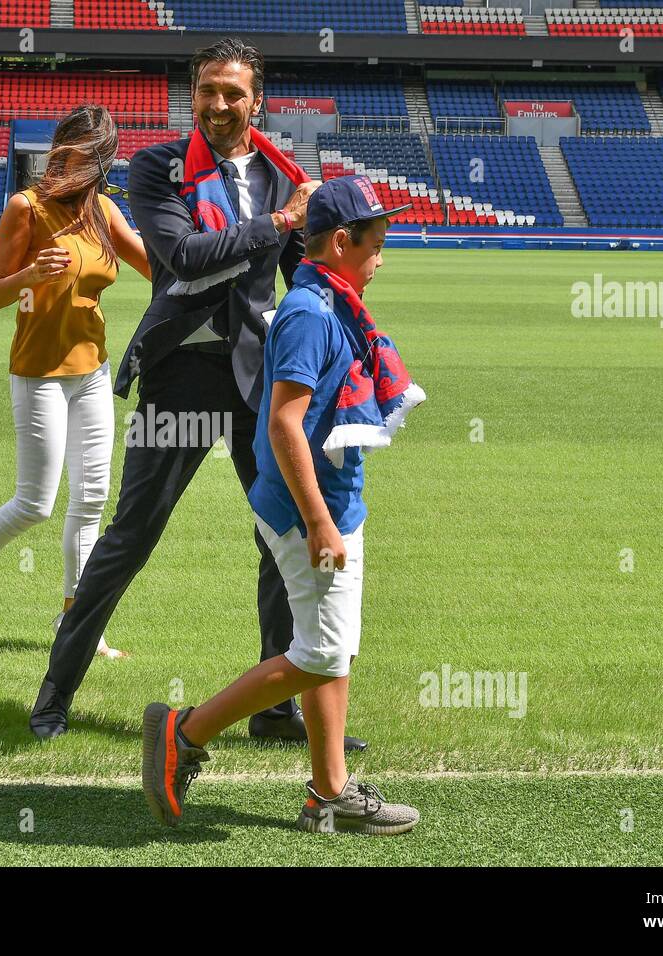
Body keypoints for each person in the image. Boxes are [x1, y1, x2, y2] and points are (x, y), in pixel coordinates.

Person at [29, 39, 367, 752]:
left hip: (257, 379)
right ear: (194, 93)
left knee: (281, 536)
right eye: (207, 90)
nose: (218, 104)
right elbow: (181, 260)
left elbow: (303, 278)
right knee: (129, 538)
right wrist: (280, 224)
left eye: (233, 93)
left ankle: (279, 709)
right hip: (180, 377)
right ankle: (53, 697)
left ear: (257, 100)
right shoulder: (159, 167)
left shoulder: (285, 176)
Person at [141, 175, 426, 834]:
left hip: (334, 501)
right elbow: (283, 424)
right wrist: (321, 521)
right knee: (319, 654)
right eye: (377, 244)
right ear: (339, 242)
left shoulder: (335, 299)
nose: (382, 256)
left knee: (333, 647)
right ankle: (185, 732)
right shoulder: (310, 312)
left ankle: (330, 793)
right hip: (308, 511)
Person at [0, 104, 150, 657]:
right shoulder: (25, 207)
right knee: (35, 504)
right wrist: (30, 275)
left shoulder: (104, 212)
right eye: (73, 150)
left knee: (91, 499)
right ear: (59, 147)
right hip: (38, 373)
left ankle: (76, 623)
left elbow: (158, 265)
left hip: (92, 370)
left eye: (92, 156)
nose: (78, 164)